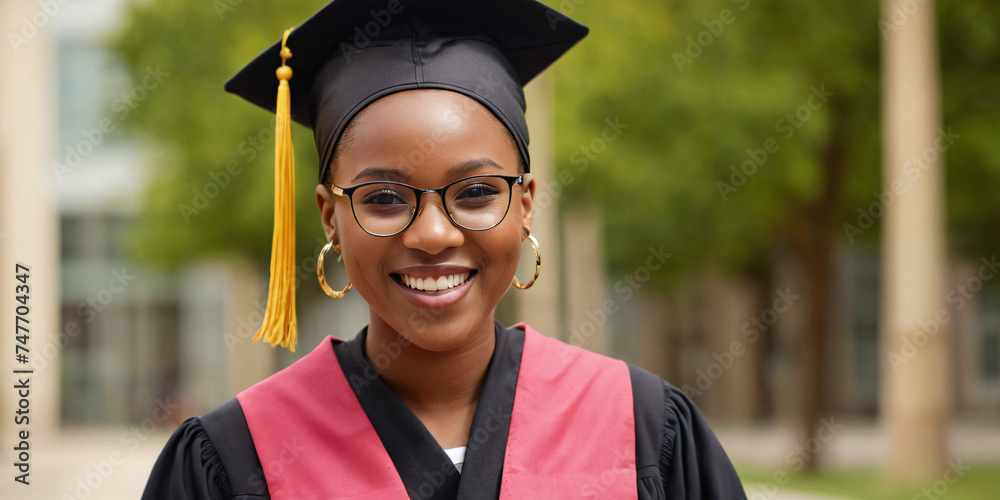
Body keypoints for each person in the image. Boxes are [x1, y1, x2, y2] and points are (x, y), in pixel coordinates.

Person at [141, 0, 746, 498]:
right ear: (330, 216)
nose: (432, 235)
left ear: (526, 203)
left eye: (477, 192)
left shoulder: (641, 429)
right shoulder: (233, 459)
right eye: (383, 198)